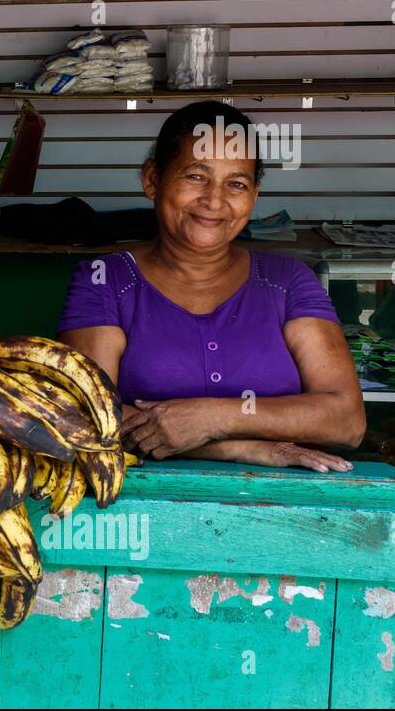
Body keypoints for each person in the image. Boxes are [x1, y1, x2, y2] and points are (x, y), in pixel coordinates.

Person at [57, 101, 365, 473]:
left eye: (236, 183)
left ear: (254, 194)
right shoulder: (105, 279)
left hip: (281, 509)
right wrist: (247, 449)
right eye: (196, 176)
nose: (214, 201)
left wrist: (211, 417)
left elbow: (346, 420)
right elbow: (88, 416)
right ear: (152, 179)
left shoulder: (287, 281)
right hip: (142, 503)